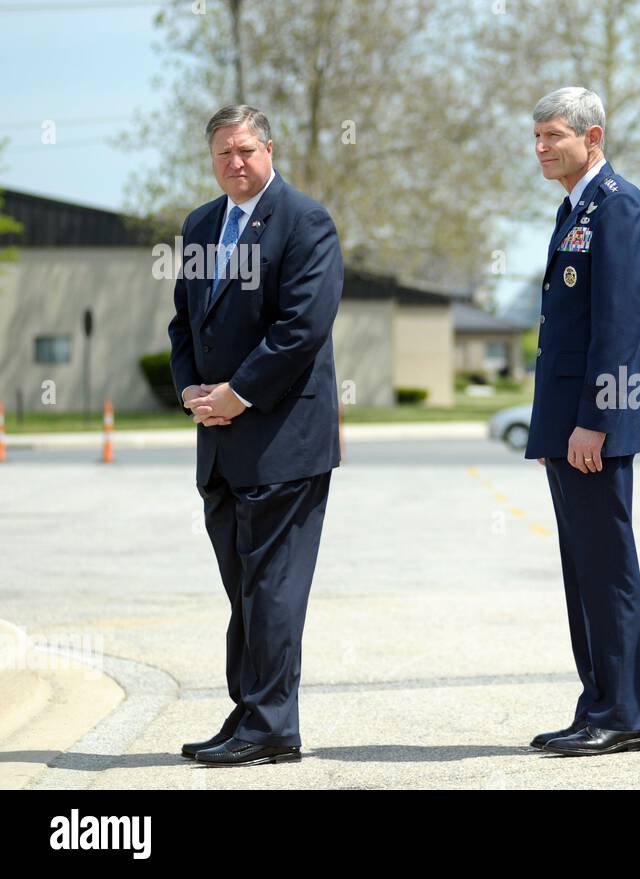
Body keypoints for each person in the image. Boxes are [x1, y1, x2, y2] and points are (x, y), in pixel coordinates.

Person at [169, 104, 343, 766]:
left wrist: (237, 395)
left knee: (272, 587)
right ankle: (249, 710)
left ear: (269, 148)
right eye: (223, 154)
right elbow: (183, 324)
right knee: (243, 588)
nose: (235, 163)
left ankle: (273, 726)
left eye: (245, 150)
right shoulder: (200, 225)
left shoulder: (305, 222)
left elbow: (302, 327)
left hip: (283, 441)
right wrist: (190, 391)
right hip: (218, 444)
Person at [525, 87, 640, 756]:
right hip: (566, 421)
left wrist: (595, 421)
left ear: (593, 136)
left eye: (555, 135)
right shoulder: (573, 209)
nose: (543, 147)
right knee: (583, 568)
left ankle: (627, 714)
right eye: (539, 137)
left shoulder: (620, 207)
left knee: (608, 569)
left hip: (594, 424)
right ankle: (597, 703)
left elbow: (616, 325)